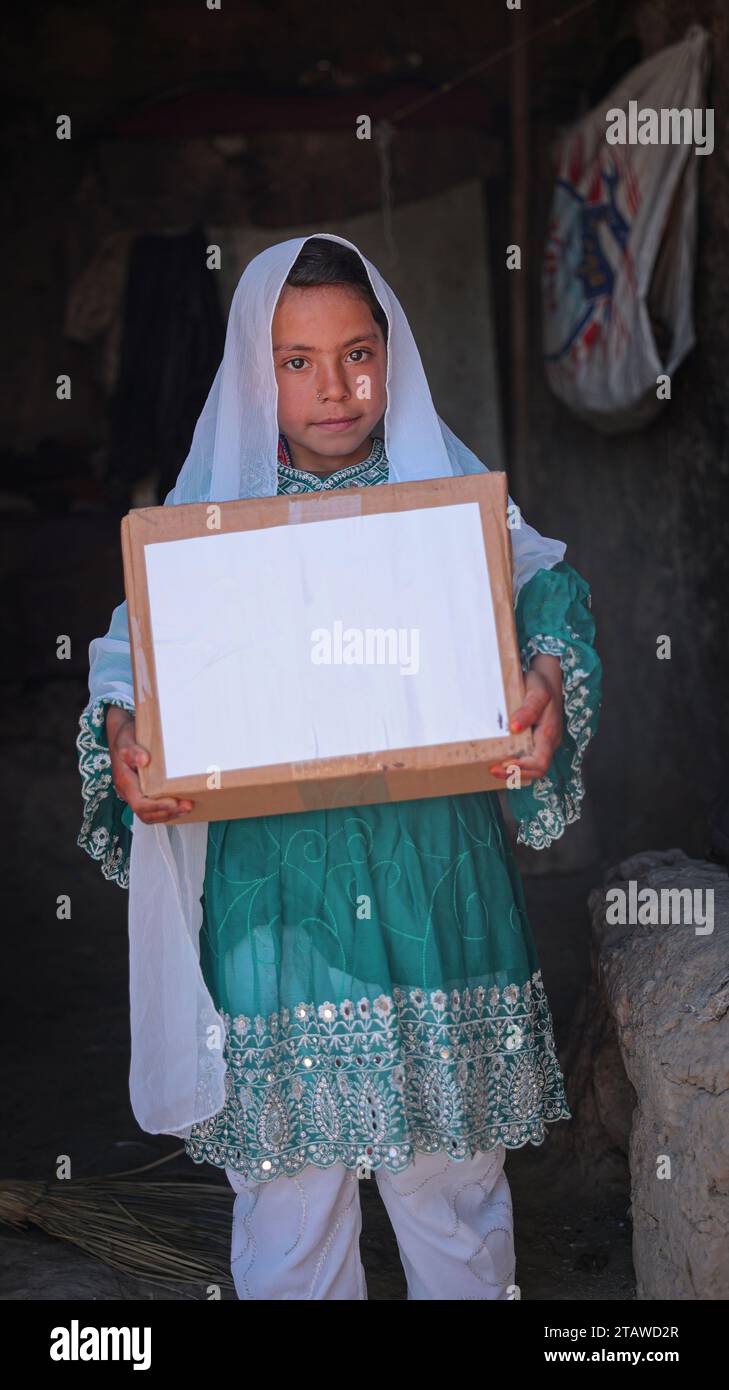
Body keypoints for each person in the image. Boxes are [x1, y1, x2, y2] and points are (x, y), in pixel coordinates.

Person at [76, 233, 602, 1300]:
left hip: (434, 884)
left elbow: (545, 585)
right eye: (297, 361)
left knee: (450, 1184)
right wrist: (128, 744)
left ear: (391, 358)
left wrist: (545, 671)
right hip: (279, 907)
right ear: (253, 374)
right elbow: (130, 666)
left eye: (359, 354)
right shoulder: (207, 526)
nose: (336, 388)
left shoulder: (444, 500)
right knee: (288, 1200)